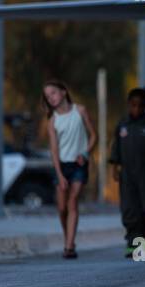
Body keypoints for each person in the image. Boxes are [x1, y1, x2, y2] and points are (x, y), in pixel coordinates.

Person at [109, 87, 145, 258]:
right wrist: (114, 166)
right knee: (129, 209)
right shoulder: (122, 125)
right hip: (127, 174)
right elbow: (116, 148)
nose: (136, 109)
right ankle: (135, 245)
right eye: (133, 105)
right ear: (128, 105)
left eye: (140, 106)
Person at [43, 80, 96, 259]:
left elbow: (94, 136)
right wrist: (59, 174)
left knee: (72, 200)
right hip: (62, 166)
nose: (51, 98)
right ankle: (69, 239)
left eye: (53, 93)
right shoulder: (52, 122)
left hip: (79, 163)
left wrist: (85, 153)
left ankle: (69, 246)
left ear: (64, 92)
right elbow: (54, 150)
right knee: (61, 208)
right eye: (47, 96)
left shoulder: (80, 111)